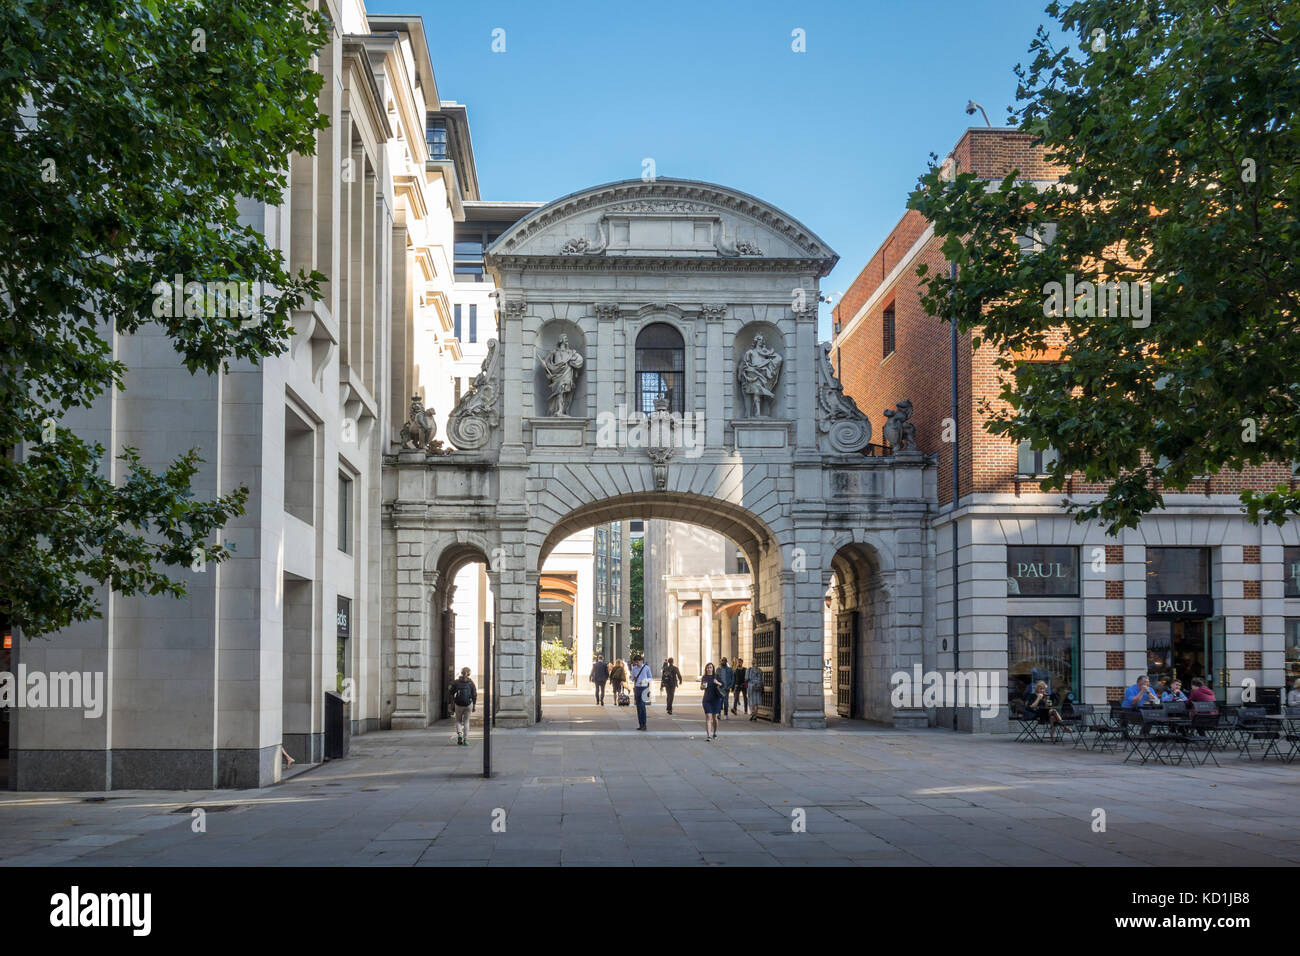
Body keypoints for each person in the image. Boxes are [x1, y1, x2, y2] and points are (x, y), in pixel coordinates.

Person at [450, 667, 477, 746]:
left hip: (458, 704)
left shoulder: (456, 682)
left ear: (461, 673)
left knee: (458, 721)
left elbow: (451, 692)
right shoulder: (471, 682)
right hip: (468, 704)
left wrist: (451, 703)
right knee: (466, 721)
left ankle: (459, 735)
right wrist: (474, 705)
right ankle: (465, 739)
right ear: (469, 674)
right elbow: (474, 694)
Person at [701, 663, 725, 740]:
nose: (709, 669)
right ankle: (708, 735)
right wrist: (702, 687)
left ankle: (714, 732)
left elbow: (723, 685)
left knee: (715, 718)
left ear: (713, 669)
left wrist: (717, 682)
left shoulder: (716, 676)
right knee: (708, 717)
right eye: (707, 667)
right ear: (706, 669)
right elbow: (702, 687)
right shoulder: (704, 677)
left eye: (710, 667)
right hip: (707, 699)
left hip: (716, 700)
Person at [630, 654, 653, 731]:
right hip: (637, 688)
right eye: (635, 662)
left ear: (641, 661)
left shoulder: (646, 668)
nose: (637, 663)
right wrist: (634, 678)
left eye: (638, 662)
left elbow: (650, 678)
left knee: (642, 706)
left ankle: (644, 724)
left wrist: (643, 681)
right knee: (638, 707)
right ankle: (640, 724)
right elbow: (632, 678)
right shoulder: (634, 668)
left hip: (644, 688)